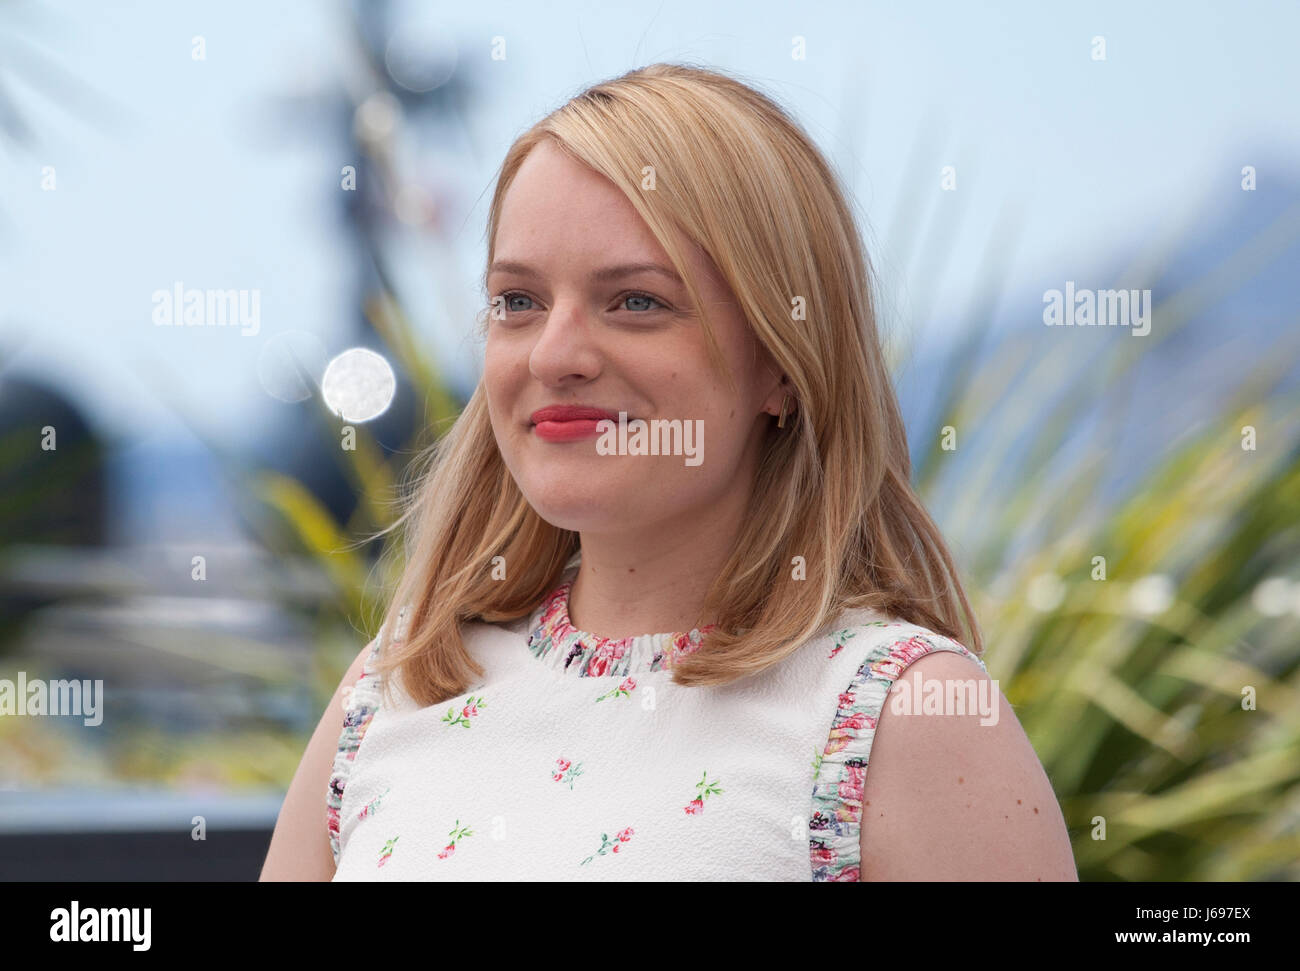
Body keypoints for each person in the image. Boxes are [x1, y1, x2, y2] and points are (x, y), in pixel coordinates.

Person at [261, 62, 1077, 882]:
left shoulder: (900, 718)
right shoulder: (394, 689)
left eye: (637, 302)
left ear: (783, 364)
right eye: (518, 301)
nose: (555, 354)